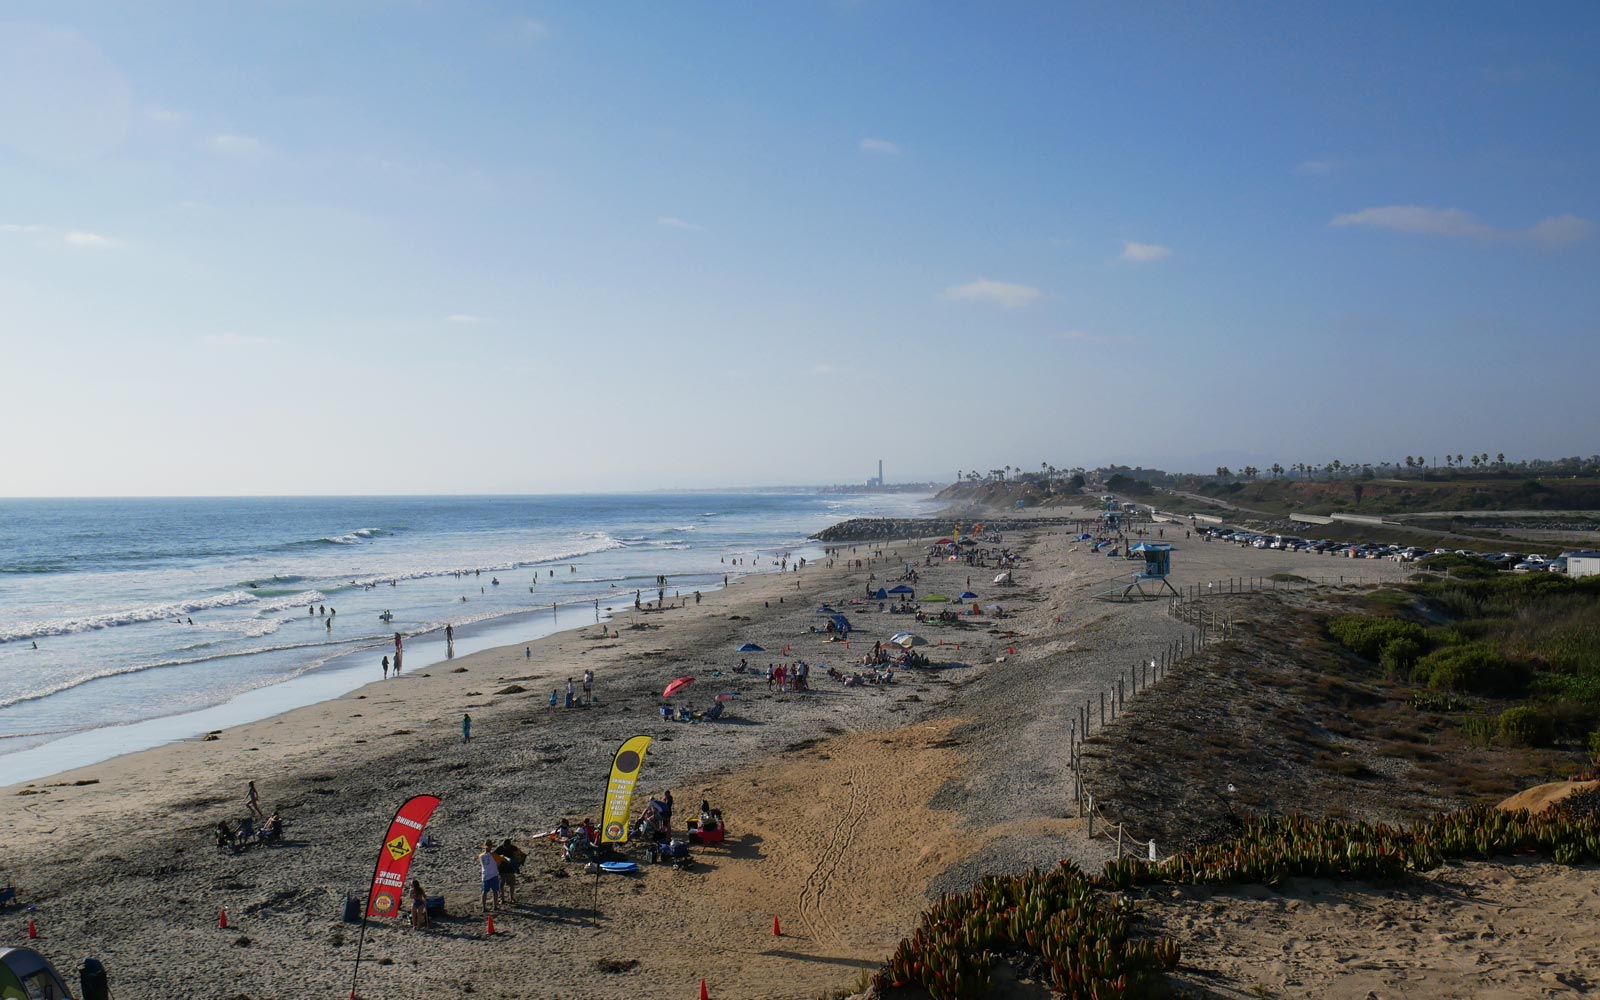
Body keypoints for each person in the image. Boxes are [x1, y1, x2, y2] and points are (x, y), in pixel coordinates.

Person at [478, 842, 502, 912]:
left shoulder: (480, 856)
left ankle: (484, 907)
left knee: (484, 892)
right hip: (493, 874)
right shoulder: (494, 855)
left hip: (485, 875)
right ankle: (495, 906)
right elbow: (499, 863)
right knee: (495, 891)